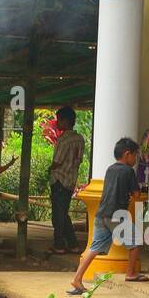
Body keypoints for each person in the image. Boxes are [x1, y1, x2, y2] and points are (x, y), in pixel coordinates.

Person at [68, 136, 143, 294]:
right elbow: (136, 194)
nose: (136, 159)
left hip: (101, 214)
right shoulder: (128, 171)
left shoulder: (110, 169)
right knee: (136, 241)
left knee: (94, 247)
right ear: (127, 154)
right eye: (135, 155)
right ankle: (130, 273)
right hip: (117, 214)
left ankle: (77, 278)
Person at [48, 106, 85, 254]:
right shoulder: (80, 139)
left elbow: (57, 161)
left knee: (58, 215)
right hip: (71, 180)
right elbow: (79, 160)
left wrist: (50, 168)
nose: (57, 123)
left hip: (59, 179)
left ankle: (59, 245)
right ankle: (72, 243)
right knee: (63, 213)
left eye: (59, 120)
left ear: (65, 121)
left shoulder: (63, 140)